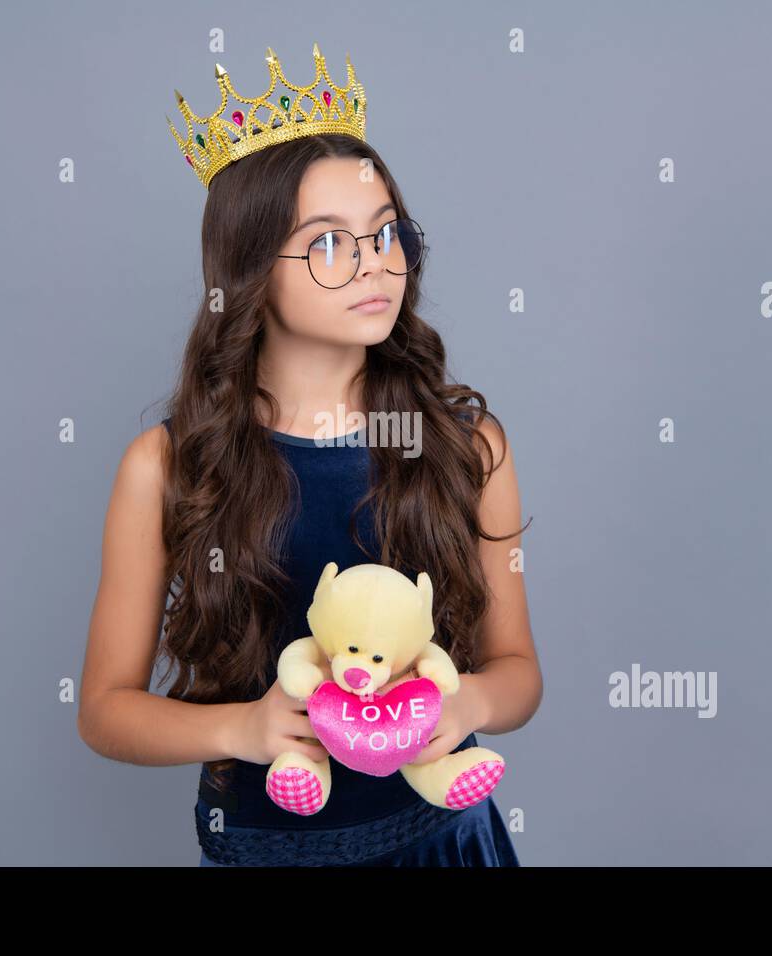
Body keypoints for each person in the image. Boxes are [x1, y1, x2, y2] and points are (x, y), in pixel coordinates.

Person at [77, 43, 541, 866]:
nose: (377, 266)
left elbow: (518, 675)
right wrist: (241, 726)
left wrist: (466, 705)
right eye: (331, 245)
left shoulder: (469, 448)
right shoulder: (165, 467)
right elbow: (106, 713)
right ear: (254, 271)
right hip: (266, 849)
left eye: (387, 233)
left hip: (443, 840)